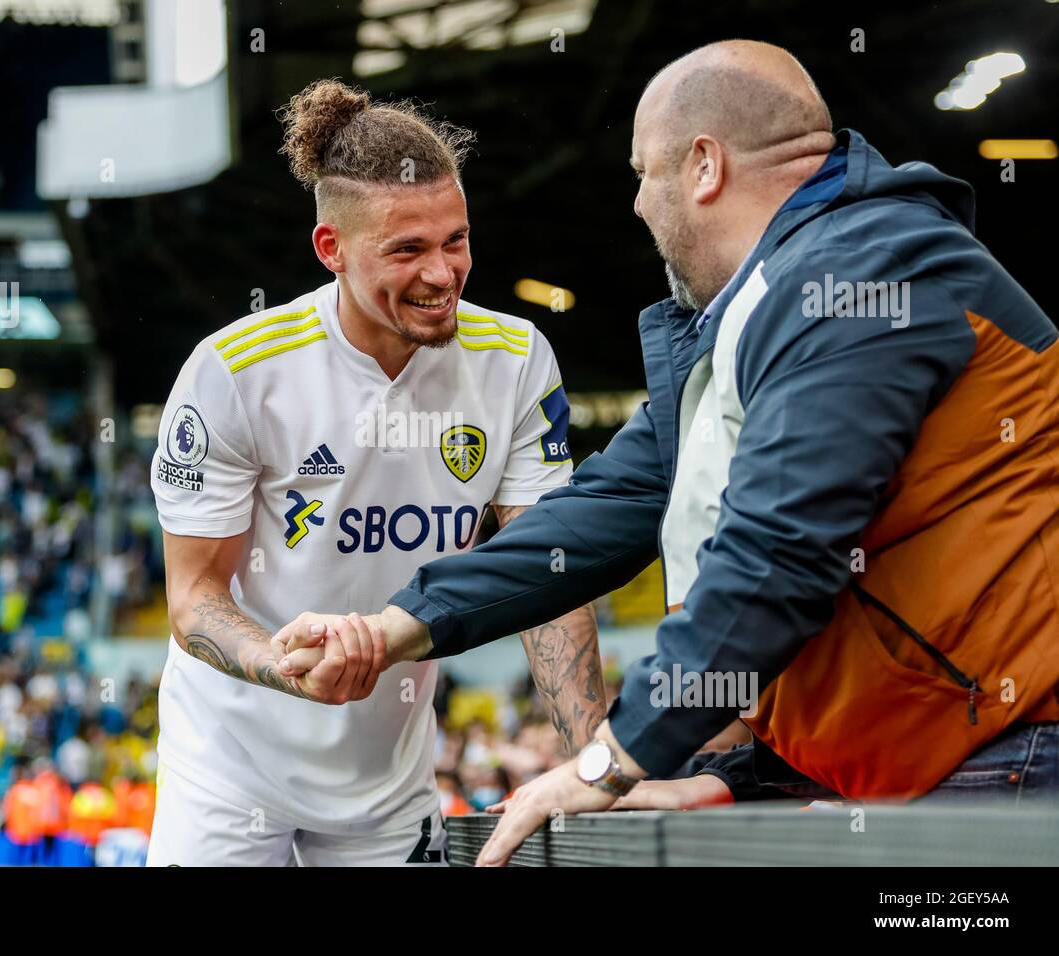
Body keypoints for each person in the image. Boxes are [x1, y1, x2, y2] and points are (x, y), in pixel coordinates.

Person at [277, 40, 1059, 863]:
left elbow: (778, 558)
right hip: (948, 754)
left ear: (703, 167)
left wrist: (615, 757)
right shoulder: (762, 312)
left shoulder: (862, 276)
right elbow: (597, 515)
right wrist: (389, 627)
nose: (640, 206)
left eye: (642, 173)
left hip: (1006, 756)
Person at [146, 78, 604, 866]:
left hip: (387, 783)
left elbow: (549, 572)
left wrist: (595, 760)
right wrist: (290, 669)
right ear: (332, 249)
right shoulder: (234, 371)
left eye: (454, 240)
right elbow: (194, 601)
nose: (442, 274)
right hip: (228, 770)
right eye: (407, 249)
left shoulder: (517, 360)